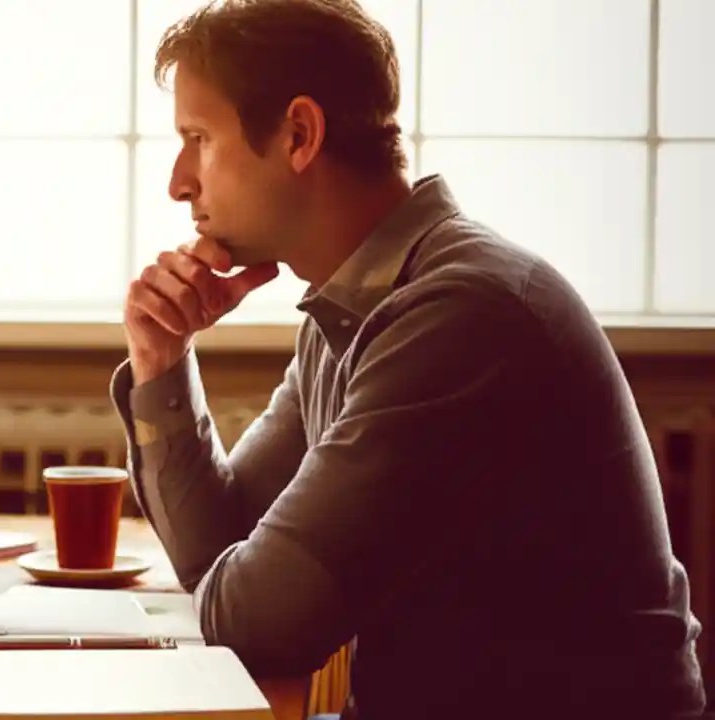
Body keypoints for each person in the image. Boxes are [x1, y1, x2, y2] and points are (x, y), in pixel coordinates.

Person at [108, 1, 707, 718]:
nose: (179, 181)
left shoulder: (461, 318)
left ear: (299, 134)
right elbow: (224, 544)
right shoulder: (355, 309)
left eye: (199, 138)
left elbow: (260, 625)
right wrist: (161, 357)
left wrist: (226, 581)